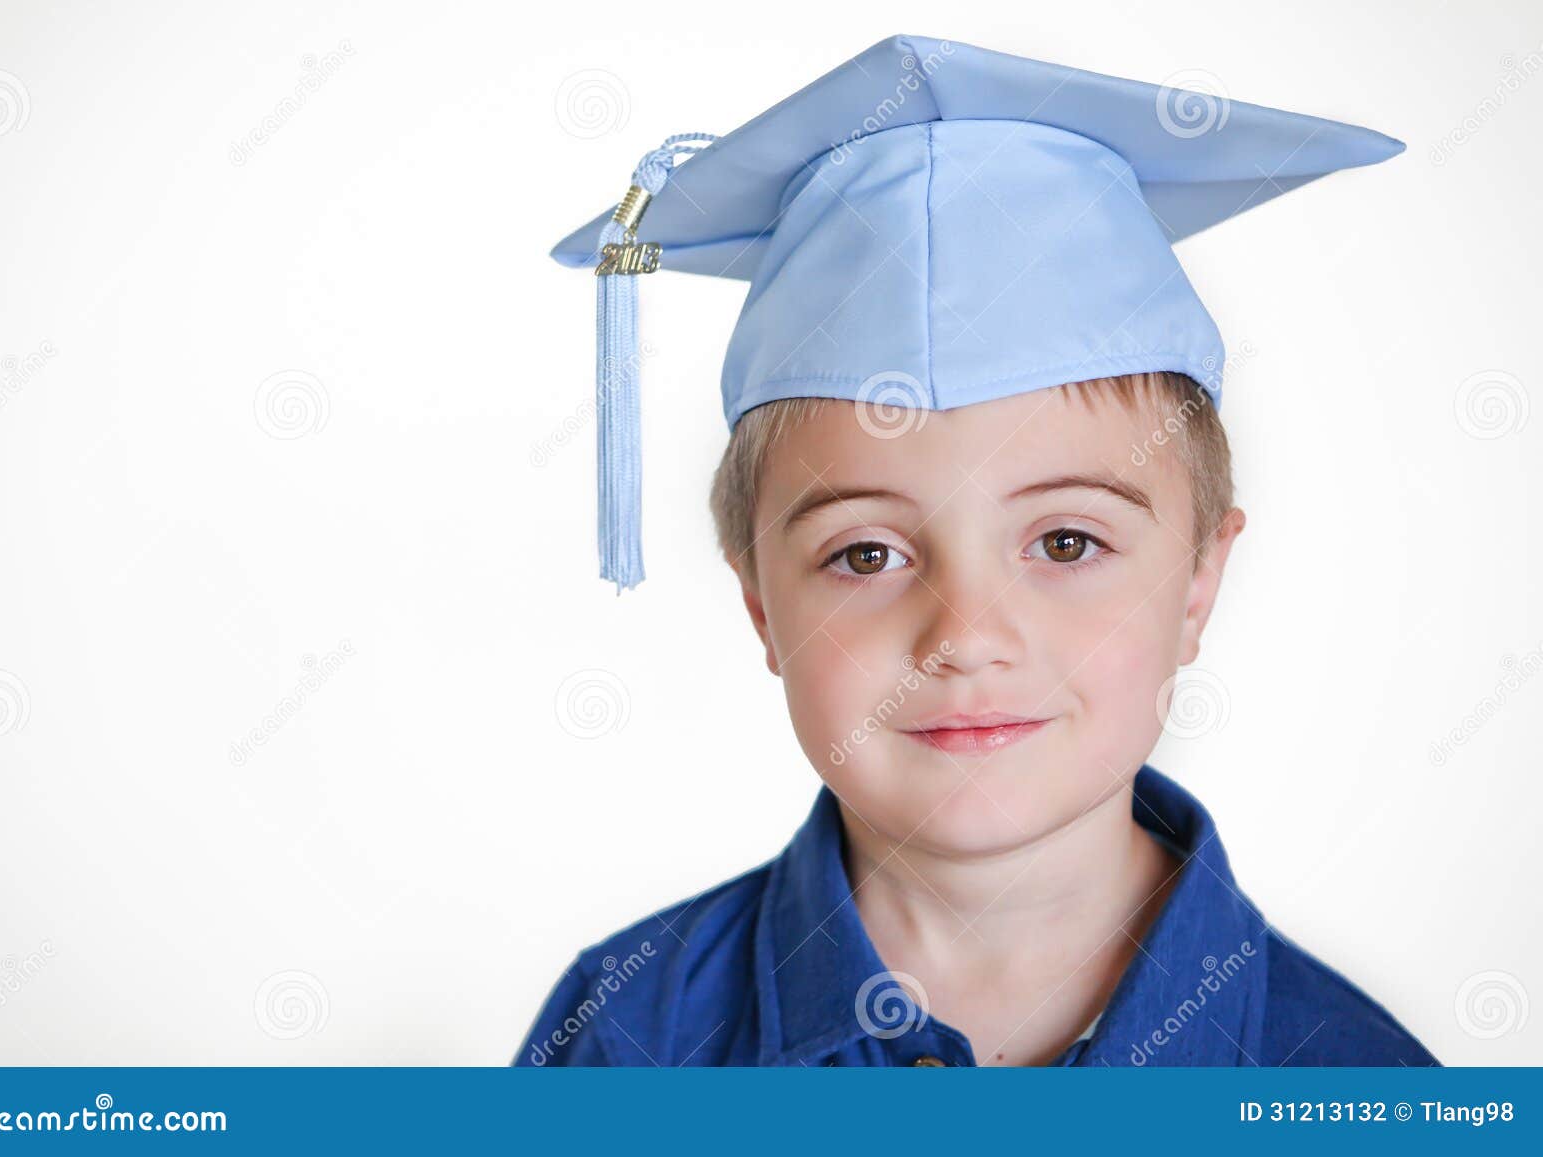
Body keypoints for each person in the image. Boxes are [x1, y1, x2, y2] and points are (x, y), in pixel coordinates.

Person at [516, 34, 1437, 1067]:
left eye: (1065, 539)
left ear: (1197, 582)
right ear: (761, 605)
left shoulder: (1354, 1079)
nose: (965, 635)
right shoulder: (623, 1038)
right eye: (864, 555)